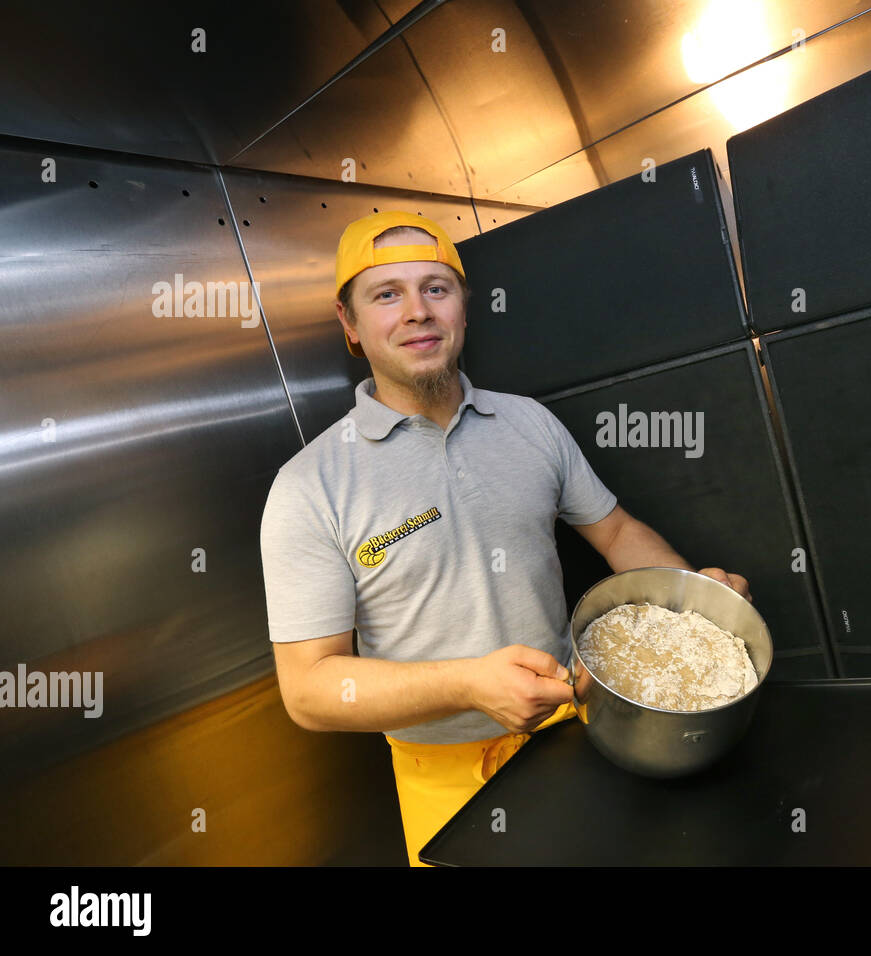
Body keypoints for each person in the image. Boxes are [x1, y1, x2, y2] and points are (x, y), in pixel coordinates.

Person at [259, 210, 752, 866]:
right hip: (443, 776)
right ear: (350, 324)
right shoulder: (309, 486)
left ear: (464, 306)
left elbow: (616, 530)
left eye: (436, 288)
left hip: (576, 735)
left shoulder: (530, 425)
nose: (417, 312)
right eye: (387, 294)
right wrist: (469, 683)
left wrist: (694, 606)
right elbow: (309, 689)